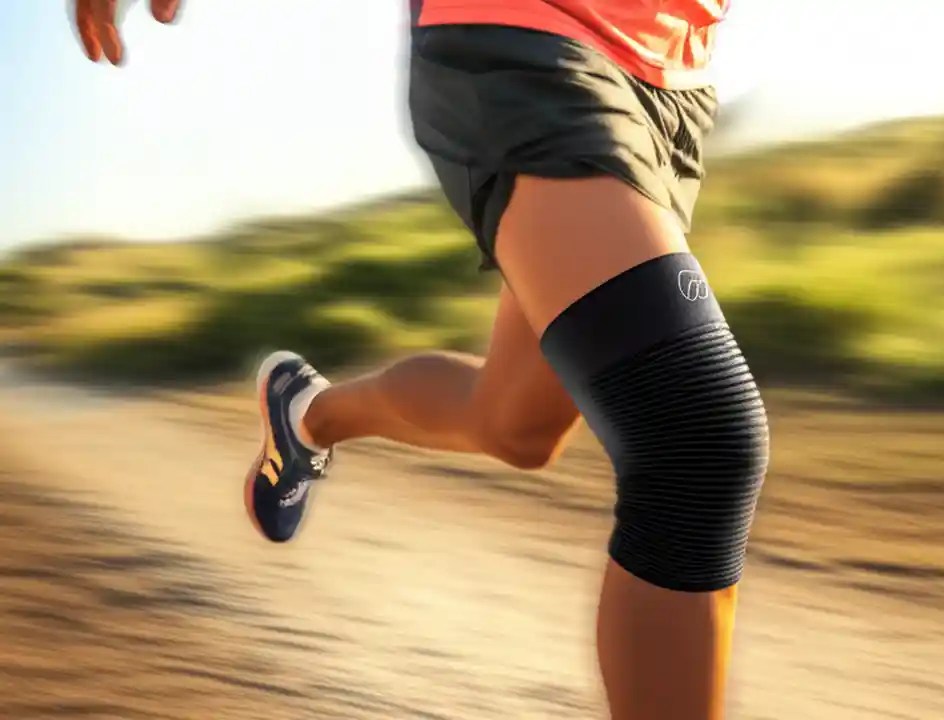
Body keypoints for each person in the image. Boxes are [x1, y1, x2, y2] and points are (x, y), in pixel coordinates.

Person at [74, 1, 770, 718]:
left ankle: (309, 415)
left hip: (671, 73)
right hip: (526, 38)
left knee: (515, 425)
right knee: (695, 441)